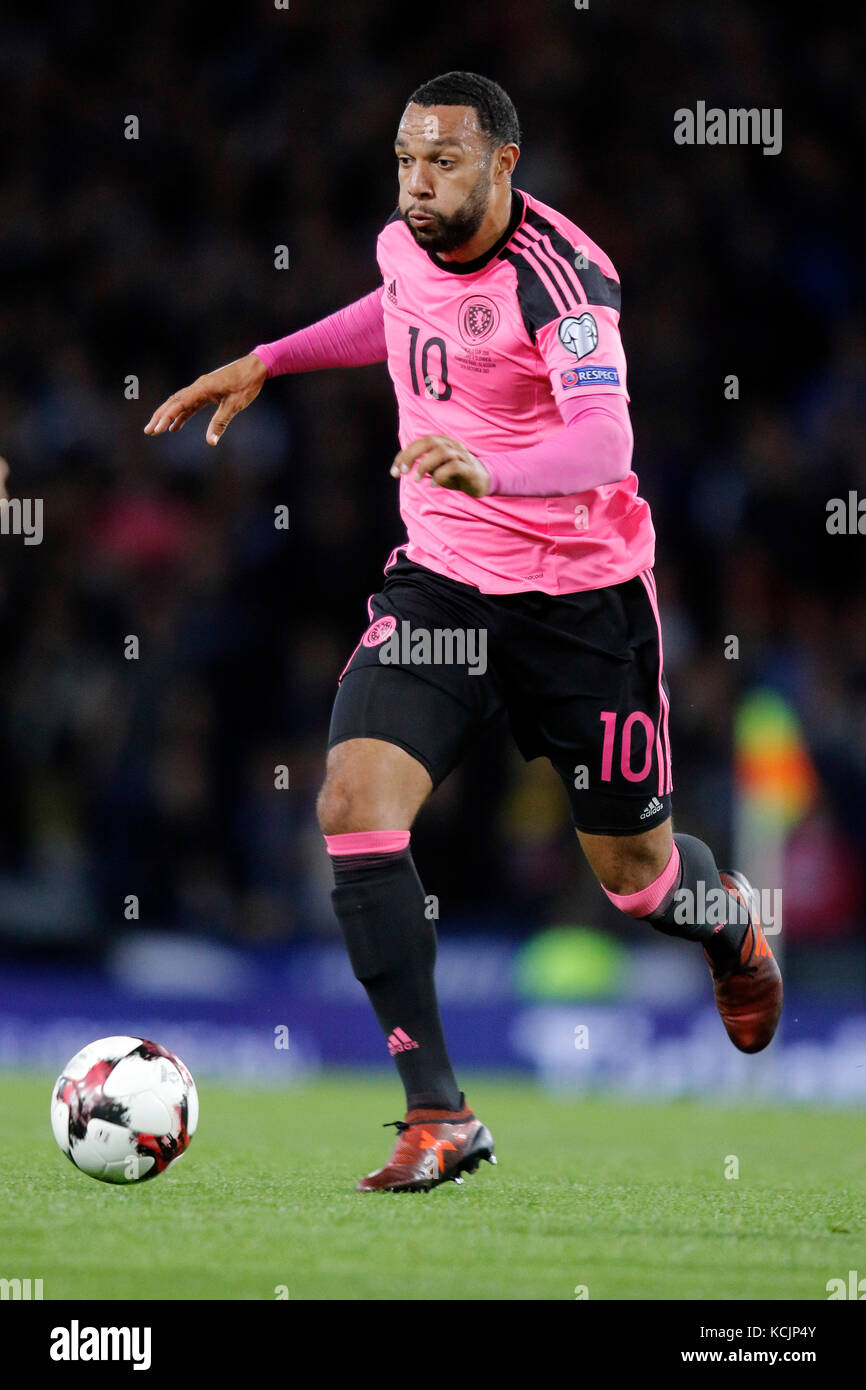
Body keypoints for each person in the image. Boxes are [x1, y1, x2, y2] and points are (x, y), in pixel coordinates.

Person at [145, 71, 782, 1194]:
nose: (417, 183)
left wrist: (491, 468)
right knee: (351, 802)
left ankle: (723, 923)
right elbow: (393, 317)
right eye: (405, 160)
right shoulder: (404, 242)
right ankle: (437, 1111)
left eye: (442, 161)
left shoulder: (562, 281)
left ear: (503, 164)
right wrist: (269, 359)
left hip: (581, 606)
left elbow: (604, 447)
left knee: (632, 881)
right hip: (442, 587)